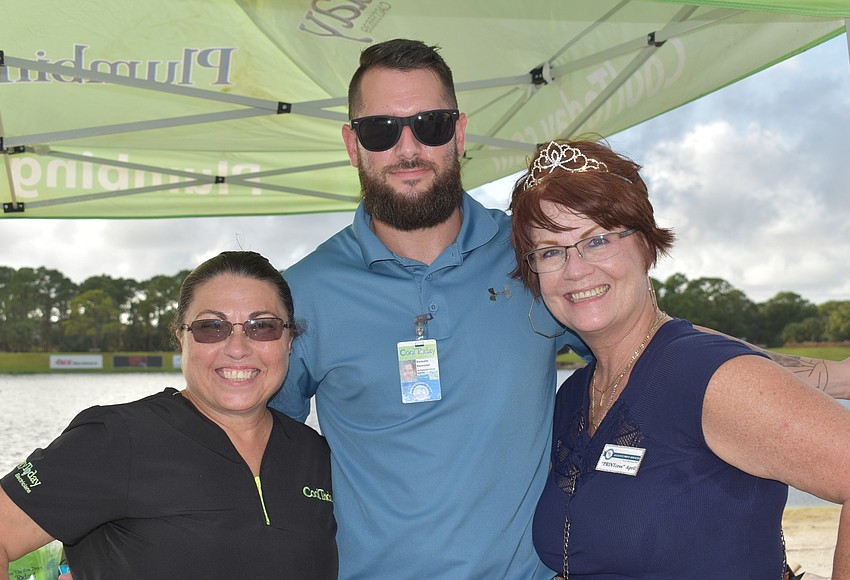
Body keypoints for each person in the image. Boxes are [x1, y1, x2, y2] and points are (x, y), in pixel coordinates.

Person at [269, 38, 850, 579]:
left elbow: (668, 356)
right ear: (352, 144)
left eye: (430, 123)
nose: (408, 147)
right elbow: (256, 443)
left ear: (460, 133)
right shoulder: (302, 295)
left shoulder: (532, 251)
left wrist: (826, 376)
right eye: (380, 130)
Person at [509, 139, 850, 579]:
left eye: (597, 240)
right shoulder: (574, 396)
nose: (575, 269)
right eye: (552, 251)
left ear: (647, 247)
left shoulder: (710, 376)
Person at [0, 251, 337, 580]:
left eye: (262, 326)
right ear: (181, 337)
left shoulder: (316, 454)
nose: (237, 348)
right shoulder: (115, 437)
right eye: (211, 327)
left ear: (290, 340)